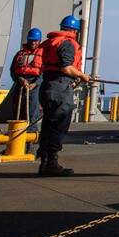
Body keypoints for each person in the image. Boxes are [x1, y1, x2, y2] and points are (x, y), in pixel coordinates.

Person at [38, 16, 90, 177]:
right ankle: (51, 164)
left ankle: (45, 163)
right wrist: (82, 76)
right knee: (58, 125)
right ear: (74, 31)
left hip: (47, 85)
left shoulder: (51, 43)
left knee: (48, 125)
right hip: (60, 88)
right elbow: (67, 67)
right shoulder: (67, 43)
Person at [9, 28, 45, 152]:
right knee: (18, 115)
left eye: (35, 41)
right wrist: (19, 79)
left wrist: (35, 84)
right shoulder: (20, 54)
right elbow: (13, 70)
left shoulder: (43, 54)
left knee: (32, 115)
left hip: (34, 86)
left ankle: (30, 146)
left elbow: (43, 72)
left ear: (39, 41)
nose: (33, 43)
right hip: (20, 85)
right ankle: (15, 143)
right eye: (31, 41)